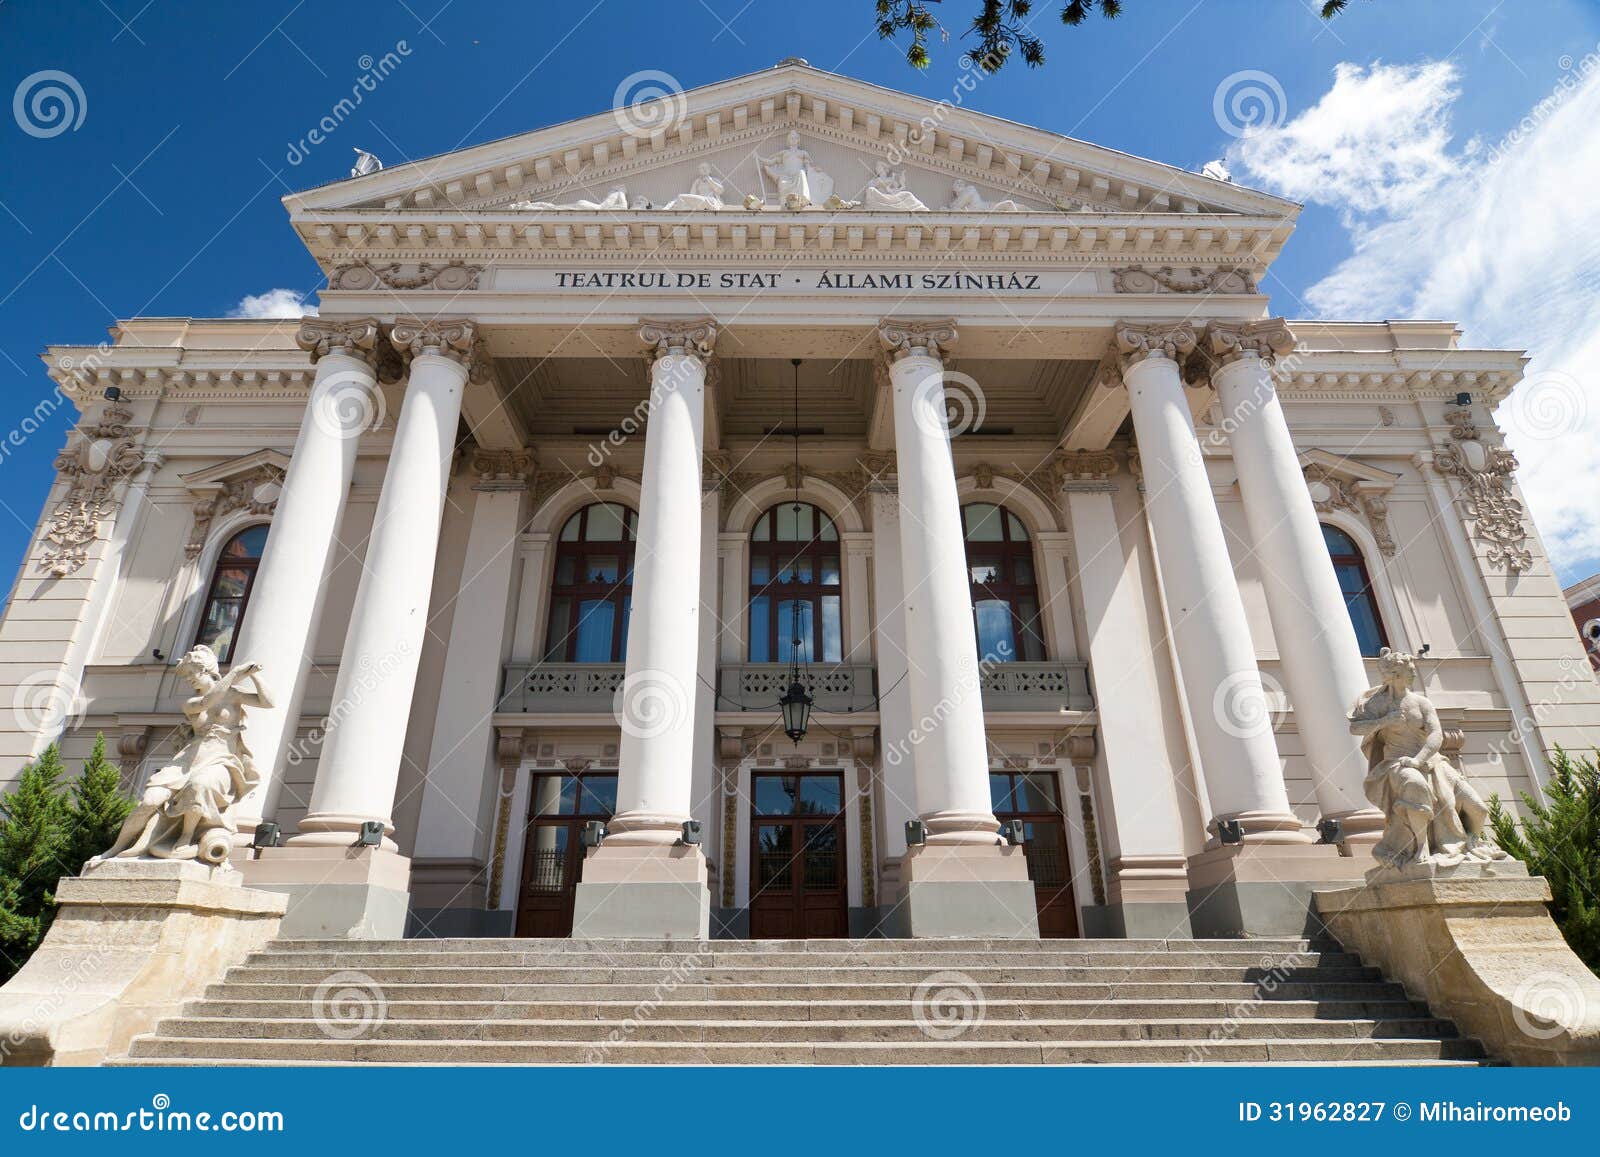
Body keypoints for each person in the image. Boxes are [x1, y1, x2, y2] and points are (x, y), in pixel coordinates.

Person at [89, 646, 271, 867]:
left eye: (193, 674)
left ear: (207, 670)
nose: (190, 680)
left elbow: (268, 702)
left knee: (200, 784)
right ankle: (116, 848)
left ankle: (186, 837)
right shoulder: (192, 703)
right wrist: (234, 674)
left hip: (220, 757)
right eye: (187, 676)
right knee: (149, 801)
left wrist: (254, 676)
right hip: (189, 758)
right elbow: (208, 702)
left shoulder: (233, 695)